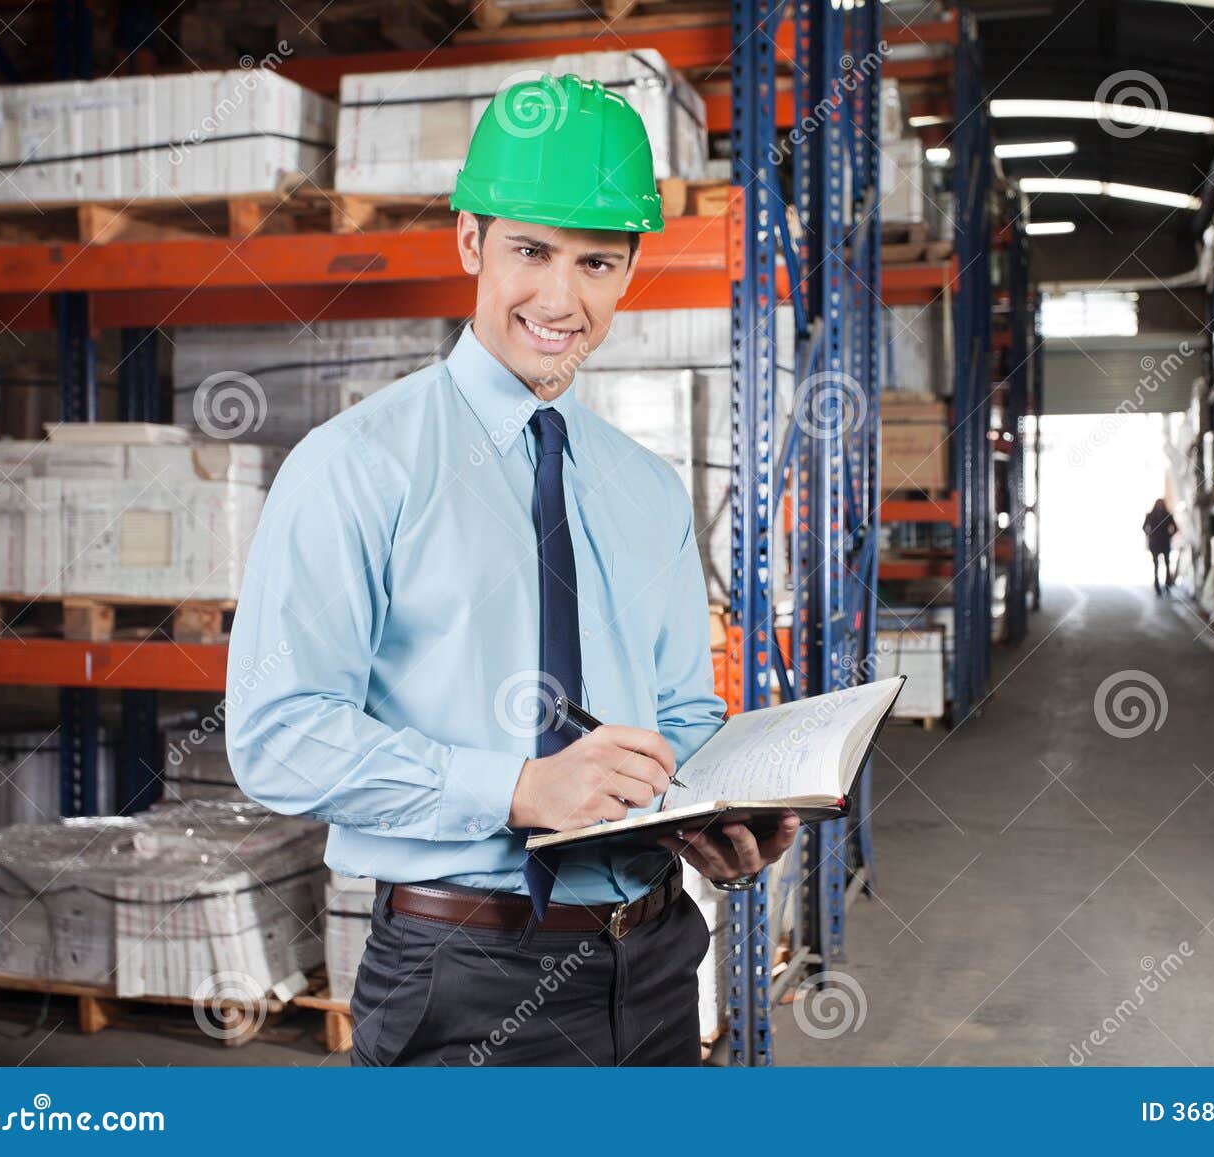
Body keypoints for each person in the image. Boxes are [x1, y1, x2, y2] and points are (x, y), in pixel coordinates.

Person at [224, 74, 799, 1066]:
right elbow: (280, 737)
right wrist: (517, 786)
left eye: (596, 261)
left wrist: (720, 802)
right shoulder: (358, 463)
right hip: (464, 968)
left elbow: (677, 706)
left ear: (626, 272)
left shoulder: (643, 486)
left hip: (657, 960)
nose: (561, 297)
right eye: (531, 250)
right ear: (469, 241)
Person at [1143, 497, 1179, 595]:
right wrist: (1150, 535)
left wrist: (1169, 535)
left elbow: (1175, 528)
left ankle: (1168, 584)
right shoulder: (1150, 515)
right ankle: (1157, 585)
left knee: (1167, 564)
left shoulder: (1167, 515)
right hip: (1155, 543)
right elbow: (1144, 527)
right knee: (1156, 565)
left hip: (1164, 543)